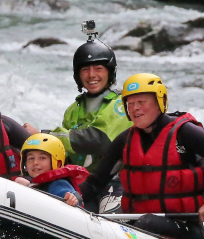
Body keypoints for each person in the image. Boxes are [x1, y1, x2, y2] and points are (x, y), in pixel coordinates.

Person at [79, 73, 204, 239]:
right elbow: (95, 183)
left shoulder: (185, 132)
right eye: (130, 103)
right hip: (139, 222)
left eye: (142, 102)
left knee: (147, 223)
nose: (135, 108)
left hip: (185, 225)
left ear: (159, 102)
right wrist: (74, 196)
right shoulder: (125, 140)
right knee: (95, 208)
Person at [24, 21, 131, 212]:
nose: (91, 75)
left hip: (114, 181)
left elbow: (100, 140)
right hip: (82, 181)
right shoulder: (74, 109)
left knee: (107, 219)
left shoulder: (120, 104)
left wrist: (42, 135)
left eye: (98, 69)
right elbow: (64, 154)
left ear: (110, 72)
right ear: (78, 75)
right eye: (85, 70)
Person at [14, 133, 88, 207]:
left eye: (42, 158)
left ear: (58, 163)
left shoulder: (58, 184)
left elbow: (71, 197)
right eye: (31, 158)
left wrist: (71, 199)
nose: (35, 162)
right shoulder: (32, 182)